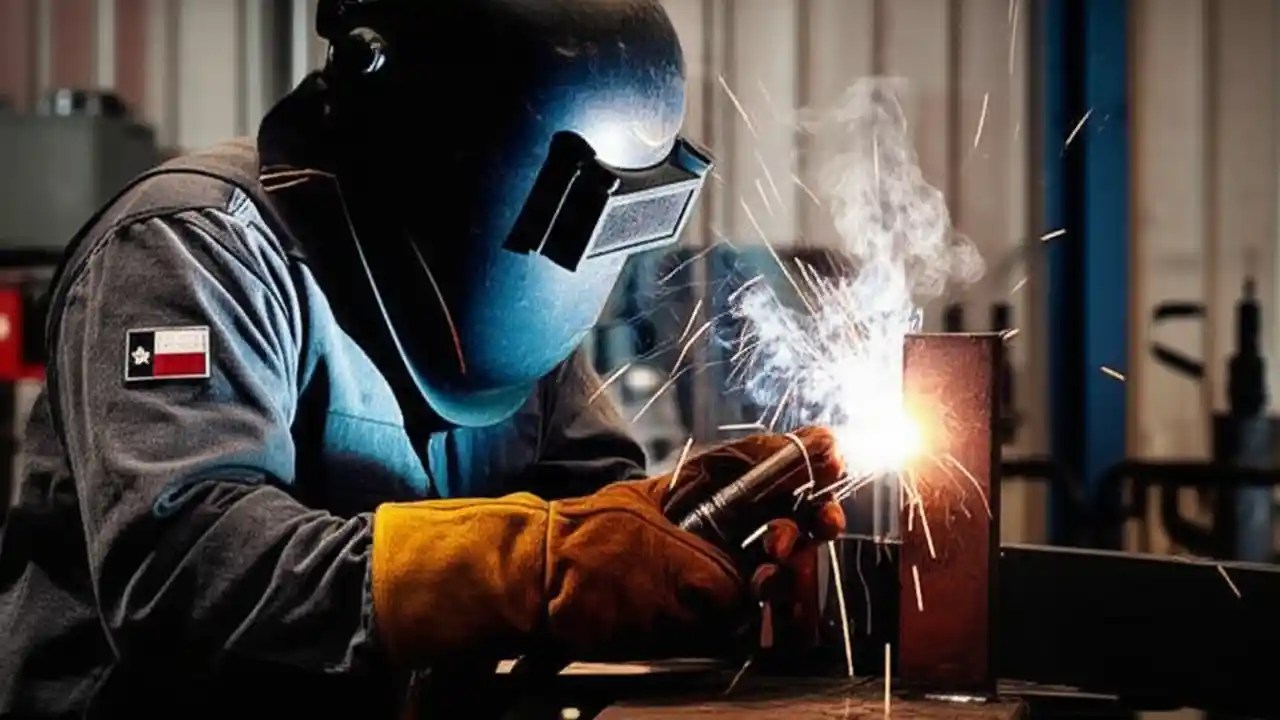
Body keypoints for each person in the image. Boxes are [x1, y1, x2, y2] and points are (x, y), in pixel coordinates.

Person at [0, 0, 845, 716]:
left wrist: (688, 537)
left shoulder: (509, 302)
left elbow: (581, 512)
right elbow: (185, 569)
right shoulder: (194, 253)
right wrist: (533, 566)